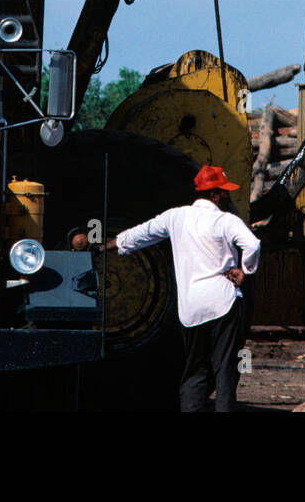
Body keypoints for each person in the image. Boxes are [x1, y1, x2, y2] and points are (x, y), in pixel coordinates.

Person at [98, 165, 260, 412]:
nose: (228, 196)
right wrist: (244, 270)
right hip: (223, 301)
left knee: (195, 371)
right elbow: (253, 244)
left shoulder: (175, 217)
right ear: (214, 194)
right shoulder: (225, 220)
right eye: (225, 192)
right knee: (225, 369)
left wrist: (106, 246)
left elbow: (142, 233)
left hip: (191, 308)